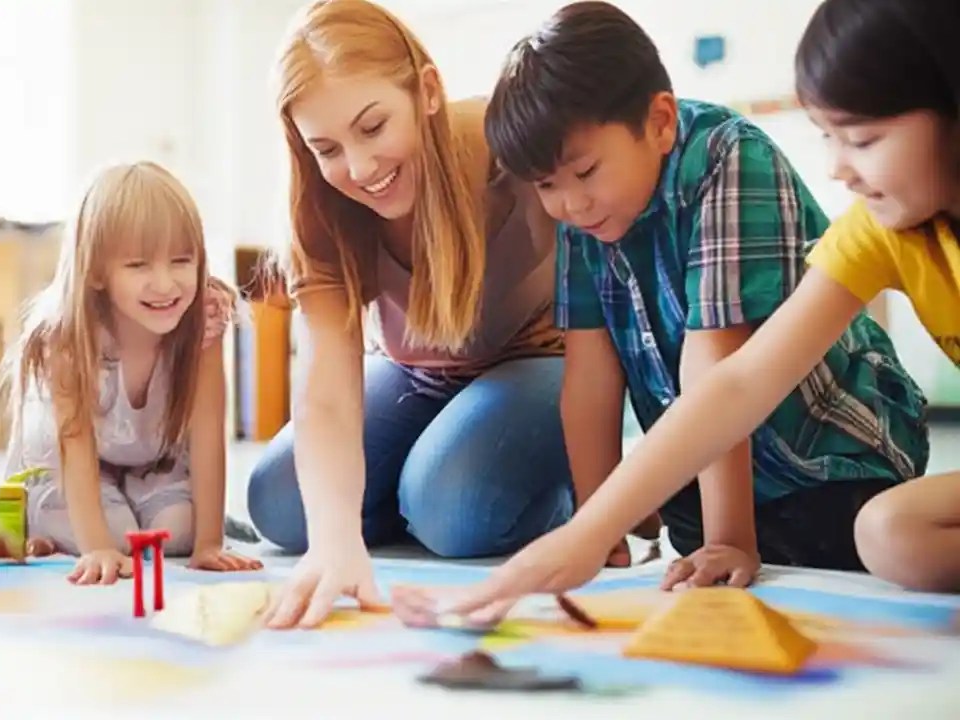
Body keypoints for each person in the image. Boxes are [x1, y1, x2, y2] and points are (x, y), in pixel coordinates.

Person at [392, 0, 938, 627]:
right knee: (677, 523)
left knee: (840, 535)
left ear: (659, 122)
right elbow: (590, 381)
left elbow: (721, 365)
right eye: (546, 186)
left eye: (585, 171)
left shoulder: (728, 157)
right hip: (713, 449)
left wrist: (730, 538)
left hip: (830, 450)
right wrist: (601, 532)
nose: (568, 202)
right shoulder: (583, 212)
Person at [254, 0, 594, 630]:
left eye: (373, 127)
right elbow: (328, 387)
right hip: (417, 373)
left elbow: (603, 290)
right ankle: (415, 492)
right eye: (326, 147)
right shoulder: (320, 204)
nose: (358, 169)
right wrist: (336, 541)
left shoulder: (508, 145)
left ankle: (542, 496)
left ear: (428, 91)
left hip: (537, 359)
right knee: (279, 504)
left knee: (451, 507)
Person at [3, 161, 263, 585]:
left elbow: (208, 432)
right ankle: (48, 521)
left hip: (150, 464)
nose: (165, 284)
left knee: (180, 532)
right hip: (69, 468)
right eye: (139, 265)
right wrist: (96, 548)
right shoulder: (69, 337)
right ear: (98, 272)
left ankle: (134, 510)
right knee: (118, 537)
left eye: (181, 261)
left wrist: (210, 543)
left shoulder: (202, 322)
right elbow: (75, 445)